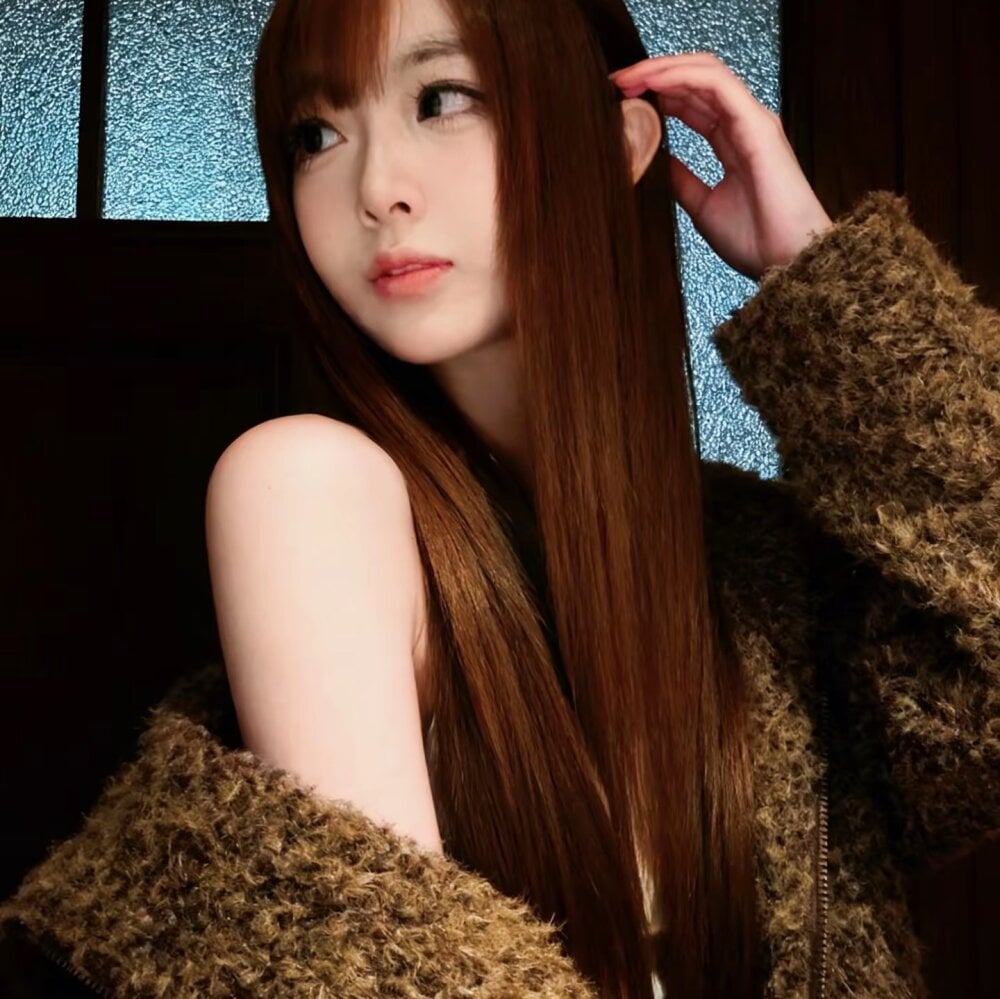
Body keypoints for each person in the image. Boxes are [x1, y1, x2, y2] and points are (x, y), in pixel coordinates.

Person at [1, 0, 997, 996]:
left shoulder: (759, 568)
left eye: (442, 99)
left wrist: (815, 270)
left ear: (617, 143)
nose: (376, 189)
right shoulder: (312, 496)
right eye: (316, 135)